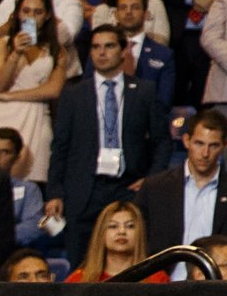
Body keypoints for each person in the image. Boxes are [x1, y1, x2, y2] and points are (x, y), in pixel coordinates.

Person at [51, 22, 164, 240]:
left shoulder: (144, 91)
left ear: (123, 51)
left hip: (128, 187)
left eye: (109, 46)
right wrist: (55, 192)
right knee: (81, 266)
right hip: (84, 189)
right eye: (96, 47)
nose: (101, 53)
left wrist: (151, 179)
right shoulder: (73, 94)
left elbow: (162, 141)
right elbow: (60, 146)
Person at [130, 105, 227, 253]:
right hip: (162, 274)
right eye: (199, 143)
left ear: (225, 146)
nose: (205, 153)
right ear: (186, 141)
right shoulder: (155, 187)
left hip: (215, 274)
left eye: (213, 146)